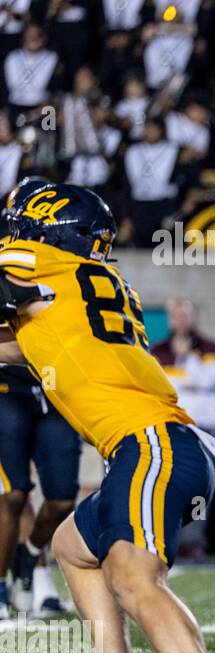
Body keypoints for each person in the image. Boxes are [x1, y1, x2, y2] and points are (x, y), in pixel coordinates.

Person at [0, 182, 215, 653]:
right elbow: (25, 345)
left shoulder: (38, 261)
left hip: (150, 445)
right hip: (160, 447)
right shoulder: (92, 284)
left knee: (134, 579)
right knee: (72, 547)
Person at [0, 176, 82, 619]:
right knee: (12, 494)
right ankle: (1, 586)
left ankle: (30, 557)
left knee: (62, 500)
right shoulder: (8, 256)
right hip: (8, 386)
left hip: (56, 388)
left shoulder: (72, 261)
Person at [151, 299, 215, 557]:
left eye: (186, 315)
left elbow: (210, 380)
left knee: (201, 486)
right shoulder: (159, 349)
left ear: (193, 317)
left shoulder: (207, 347)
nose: (181, 320)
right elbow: (162, 386)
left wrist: (186, 358)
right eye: (176, 315)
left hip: (204, 426)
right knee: (172, 483)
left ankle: (194, 540)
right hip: (172, 422)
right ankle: (171, 537)